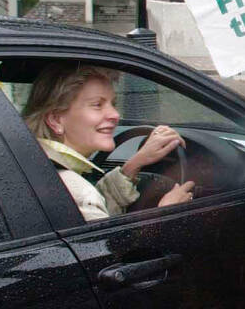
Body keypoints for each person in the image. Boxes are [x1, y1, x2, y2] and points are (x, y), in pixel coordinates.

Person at [22, 62, 194, 222]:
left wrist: (133, 166)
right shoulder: (75, 191)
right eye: (97, 105)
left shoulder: (31, 163)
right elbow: (110, 252)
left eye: (113, 103)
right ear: (56, 120)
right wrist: (165, 214)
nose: (115, 114)